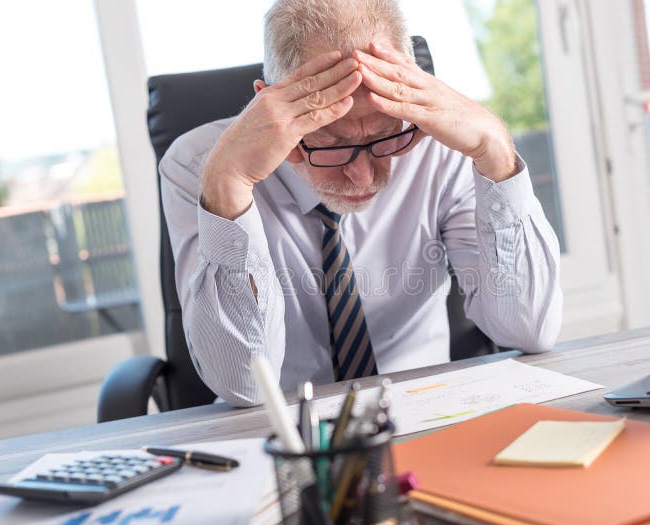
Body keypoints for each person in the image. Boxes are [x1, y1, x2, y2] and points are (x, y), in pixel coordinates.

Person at [160, 0, 562, 407]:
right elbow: (243, 386)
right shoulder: (200, 165)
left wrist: (495, 148)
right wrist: (228, 183)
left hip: (425, 414)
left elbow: (529, 329)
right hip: (283, 437)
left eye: (385, 138)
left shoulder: (439, 146)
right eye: (332, 144)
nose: (364, 177)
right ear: (270, 105)